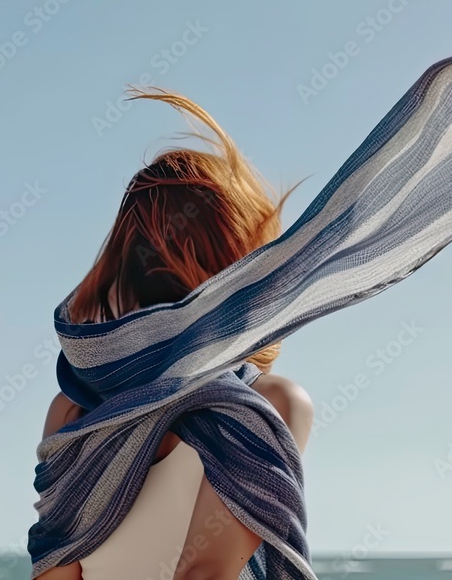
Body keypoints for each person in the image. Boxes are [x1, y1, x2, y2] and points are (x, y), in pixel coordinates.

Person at [35, 91, 314, 580]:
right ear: (241, 263)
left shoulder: (73, 412)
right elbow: (204, 574)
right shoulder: (265, 403)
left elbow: (54, 575)